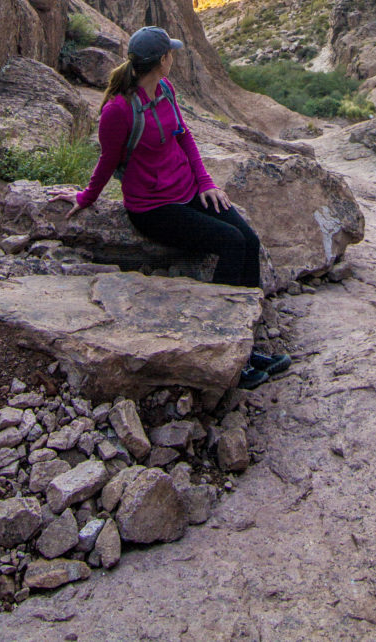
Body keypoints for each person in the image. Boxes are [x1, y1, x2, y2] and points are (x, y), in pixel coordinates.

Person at [58, 25, 289, 389]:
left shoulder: (165, 90)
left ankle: (246, 345)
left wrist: (206, 183)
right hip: (153, 208)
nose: (174, 58)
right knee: (231, 243)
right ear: (161, 61)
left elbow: (184, 136)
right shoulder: (118, 111)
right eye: (171, 54)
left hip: (188, 191)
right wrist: (85, 198)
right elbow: (106, 161)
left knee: (249, 240)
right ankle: (223, 346)